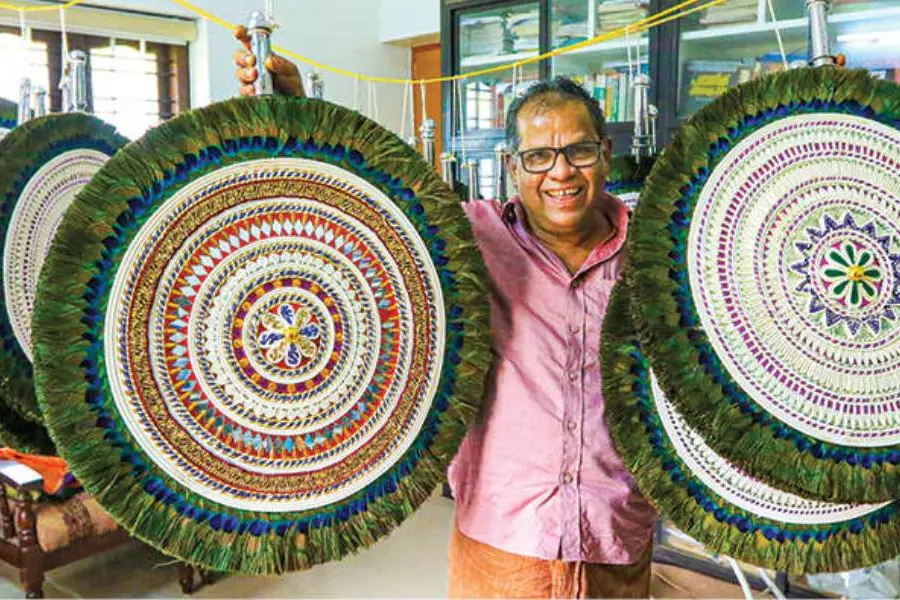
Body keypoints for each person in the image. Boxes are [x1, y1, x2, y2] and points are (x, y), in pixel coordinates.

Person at [234, 30, 657, 599]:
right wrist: (296, 111)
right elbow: (357, 206)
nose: (560, 173)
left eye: (578, 151)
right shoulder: (464, 238)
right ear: (512, 166)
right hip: (501, 541)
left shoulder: (657, 253)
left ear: (604, 154)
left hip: (616, 534)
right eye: (538, 156)